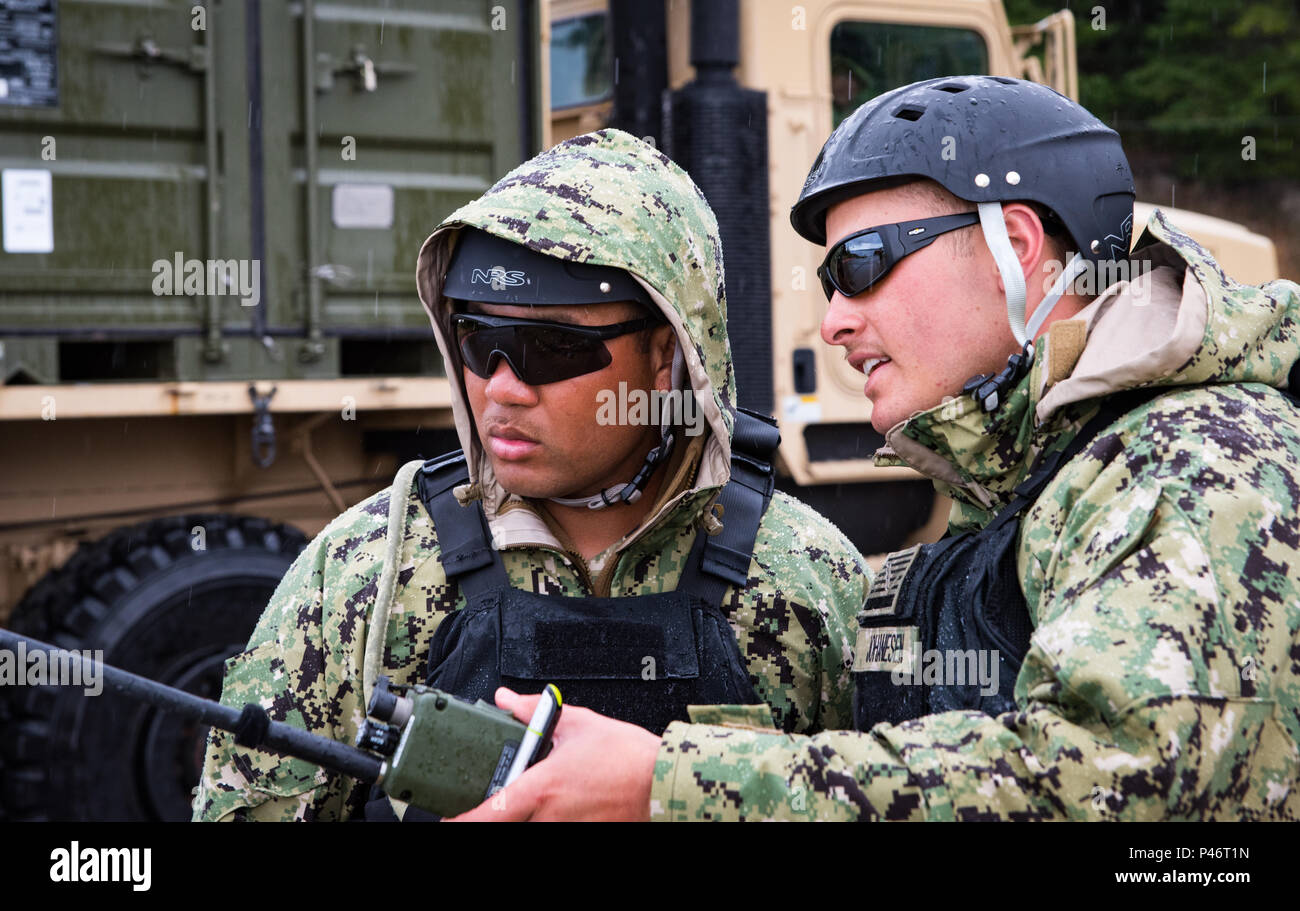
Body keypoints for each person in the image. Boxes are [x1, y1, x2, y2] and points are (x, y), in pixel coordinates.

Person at [453, 75, 1300, 821]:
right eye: (828, 282)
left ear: (1020, 244)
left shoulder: (1198, 463)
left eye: (862, 265)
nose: (834, 320)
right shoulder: (1045, 481)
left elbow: (1125, 790)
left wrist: (670, 785)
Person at [191, 129, 870, 821]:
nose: (503, 387)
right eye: (478, 343)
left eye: (550, 347)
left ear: (667, 354)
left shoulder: (803, 581)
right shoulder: (369, 572)